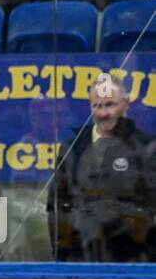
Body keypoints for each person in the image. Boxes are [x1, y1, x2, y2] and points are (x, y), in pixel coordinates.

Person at [53, 73, 156, 263]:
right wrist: (62, 257)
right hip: (81, 260)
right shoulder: (72, 148)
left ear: (126, 104)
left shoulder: (148, 148)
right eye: (97, 105)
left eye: (110, 105)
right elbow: (58, 207)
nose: (103, 113)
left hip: (133, 261)